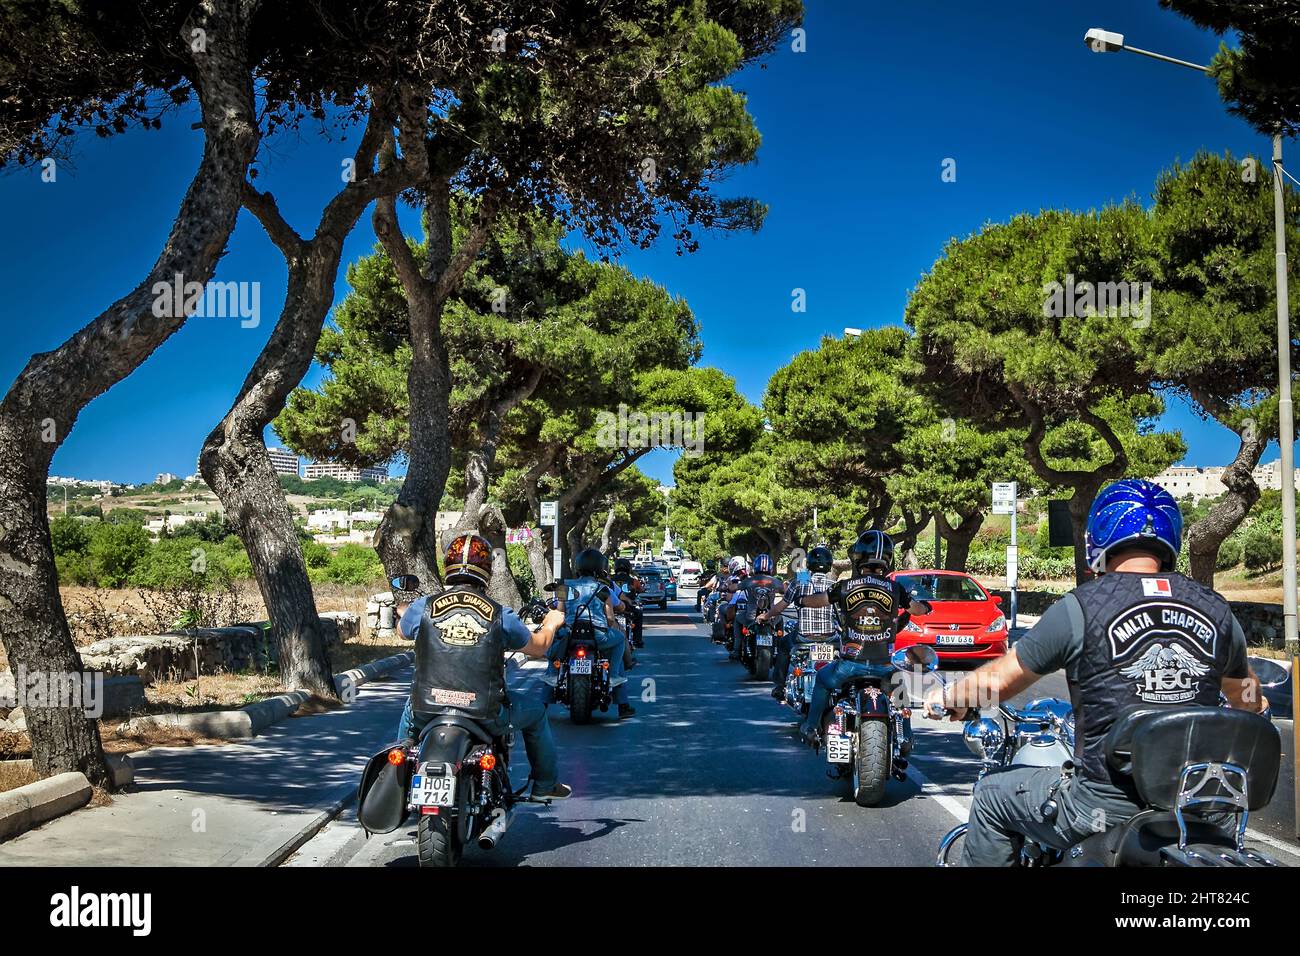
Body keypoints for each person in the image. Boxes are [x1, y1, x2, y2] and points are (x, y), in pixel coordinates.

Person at [923, 479, 1270, 866]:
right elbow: (1247, 698)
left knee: (991, 796)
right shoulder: (1218, 611)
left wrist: (948, 698)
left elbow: (998, 683)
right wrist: (1255, 706)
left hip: (1102, 806)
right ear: (1171, 537)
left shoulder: (1081, 609)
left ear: (1098, 539)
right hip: (1198, 809)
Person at [394, 533, 572, 800]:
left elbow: (401, 631)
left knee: (409, 713)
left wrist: (405, 613)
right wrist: (551, 623)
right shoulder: (500, 614)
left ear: (448, 567)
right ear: (487, 570)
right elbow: (539, 647)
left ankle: (398, 785)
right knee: (536, 713)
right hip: (484, 711)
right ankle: (545, 785)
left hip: (427, 708)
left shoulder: (424, 607)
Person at [798, 530, 931, 745]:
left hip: (850, 665)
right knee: (900, 690)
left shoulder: (844, 587)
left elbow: (819, 600)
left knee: (822, 680)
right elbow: (915, 609)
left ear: (858, 557)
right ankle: (905, 736)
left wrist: (802, 600)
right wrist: (925, 608)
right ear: (888, 559)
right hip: (885, 665)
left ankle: (811, 727)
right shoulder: (896, 589)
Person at [548, 547, 637, 720]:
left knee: (554, 651)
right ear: (599, 569)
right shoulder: (603, 589)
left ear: (578, 567)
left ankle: (545, 696)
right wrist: (607, 624)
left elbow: (559, 614)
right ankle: (616, 685)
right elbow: (610, 618)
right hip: (597, 637)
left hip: (570, 635)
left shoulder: (564, 586)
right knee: (618, 640)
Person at [759, 545, 837, 700]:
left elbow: (781, 606)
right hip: (830, 637)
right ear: (829, 565)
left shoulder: (800, 582)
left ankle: (780, 686)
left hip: (804, 637)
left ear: (809, 564)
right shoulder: (834, 584)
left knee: (783, 645)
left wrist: (766, 616)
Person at [730, 553, 782, 663]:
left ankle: (736, 649)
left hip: (751, 617)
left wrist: (729, 586)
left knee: (737, 619)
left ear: (756, 566)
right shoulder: (775, 581)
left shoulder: (749, 580)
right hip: (771, 616)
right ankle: (779, 647)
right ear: (771, 567)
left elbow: (734, 587)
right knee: (780, 619)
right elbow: (786, 591)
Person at [610, 557, 645, 648]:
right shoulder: (634, 581)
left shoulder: (610, 580)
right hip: (628, 606)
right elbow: (641, 590)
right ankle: (637, 640)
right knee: (639, 614)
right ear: (628, 568)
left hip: (612, 607)